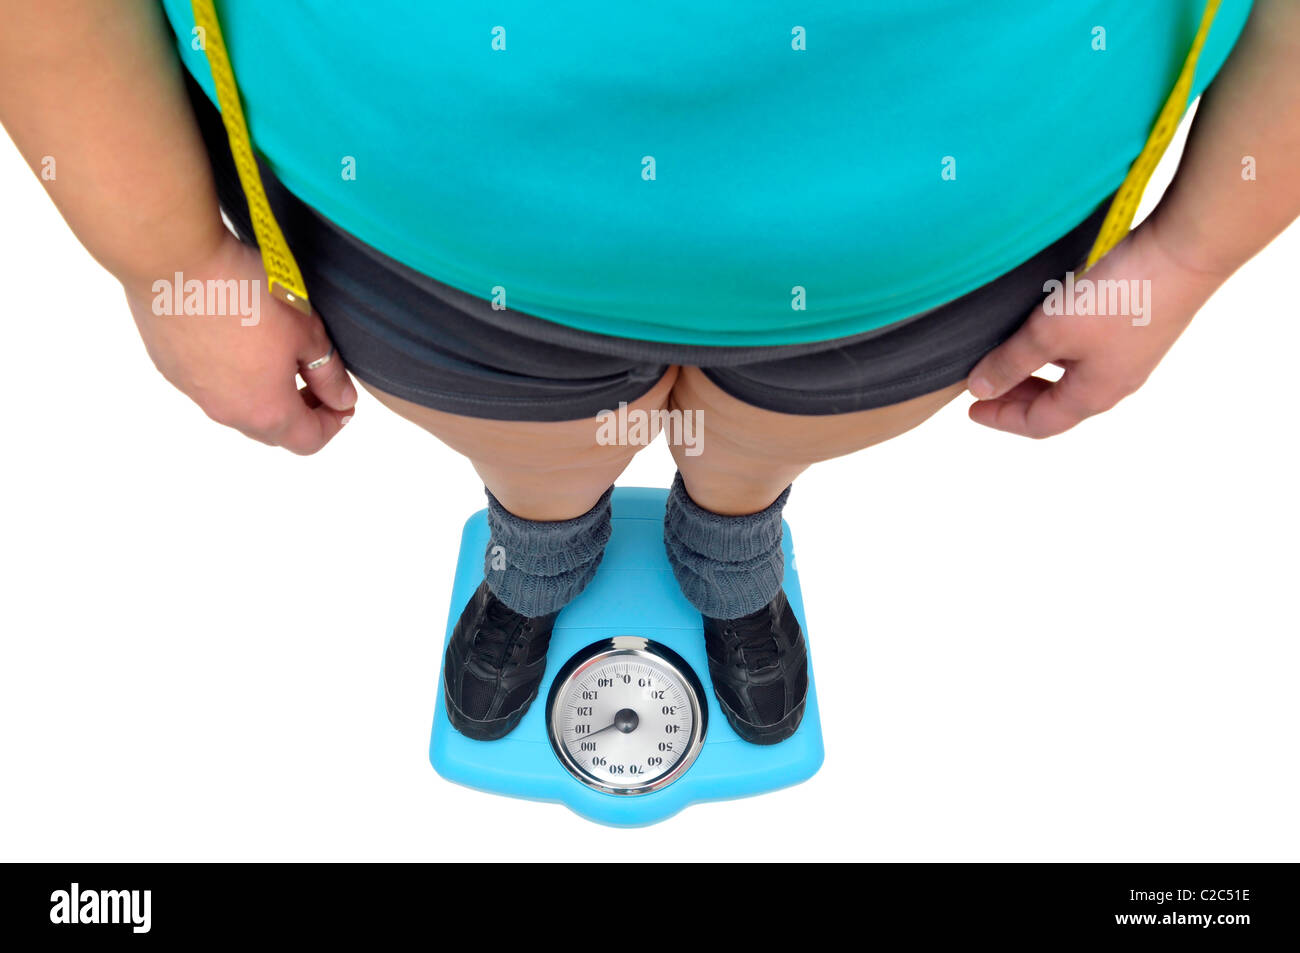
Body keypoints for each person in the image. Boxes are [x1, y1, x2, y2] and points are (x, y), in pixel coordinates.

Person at [2, 1, 1294, 745]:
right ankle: (538, 547)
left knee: (755, 448)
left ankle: (735, 540)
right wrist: (162, 255)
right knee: (539, 457)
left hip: (921, 269)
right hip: (433, 245)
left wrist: (1192, 253)